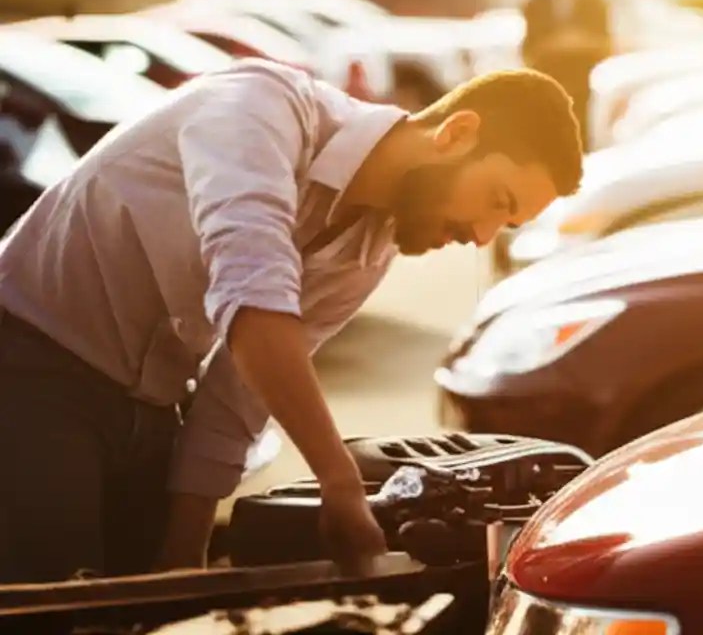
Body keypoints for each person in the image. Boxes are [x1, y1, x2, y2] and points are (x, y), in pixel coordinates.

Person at [0, 59, 582, 583]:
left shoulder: (367, 253)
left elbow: (238, 393)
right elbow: (253, 301)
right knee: (53, 605)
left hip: (151, 408)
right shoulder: (257, 110)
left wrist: (185, 557)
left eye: (502, 226)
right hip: (29, 360)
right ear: (455, 135)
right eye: (496, 200)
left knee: (150, 609)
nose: (478, 235)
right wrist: (338, 478)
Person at [520, 0, 612, 144]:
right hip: (549, 87)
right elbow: (528, 50)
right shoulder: (536, 3)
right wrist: (562, 43)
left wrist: (574, 42)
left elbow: (606, 45)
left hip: (584, 88)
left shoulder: (595, 1)